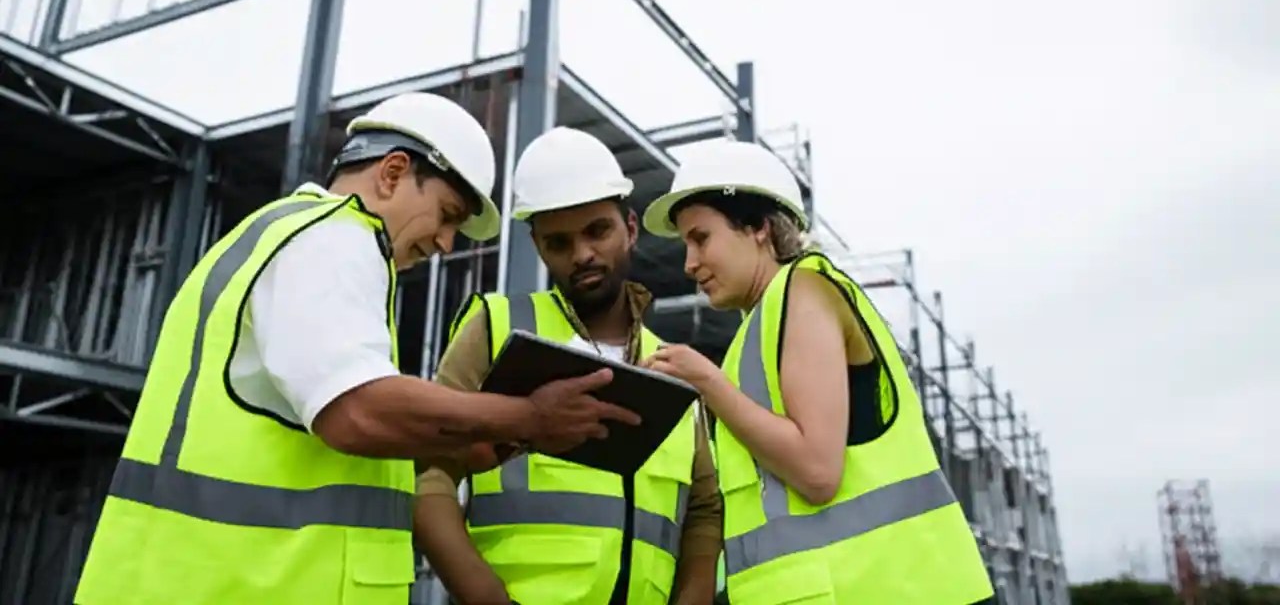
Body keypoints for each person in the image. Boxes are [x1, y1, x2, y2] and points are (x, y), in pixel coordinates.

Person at [73, 93, 640, 605]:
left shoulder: (283, 234)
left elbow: (316, 432)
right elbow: (356, 412)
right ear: (394, 173)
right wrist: (530, 417)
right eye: (446, 216)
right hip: (244, 584)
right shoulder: (335, 237)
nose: (445, 243)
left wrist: (471, 441)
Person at [638, 140, 995, 604]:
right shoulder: (760, 328)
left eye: (701, 238)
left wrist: (707, 383)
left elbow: (816, 471)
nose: (689, 264)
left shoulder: (804, 288)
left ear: (758, 228)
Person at [414, 126, 723, 605]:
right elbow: (427, 474)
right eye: (558, 242)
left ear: (631, 228)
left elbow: (704, 509)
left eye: (598, 230)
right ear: (538, 246)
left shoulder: (672, 367)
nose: (582, 254)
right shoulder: (496, 329)